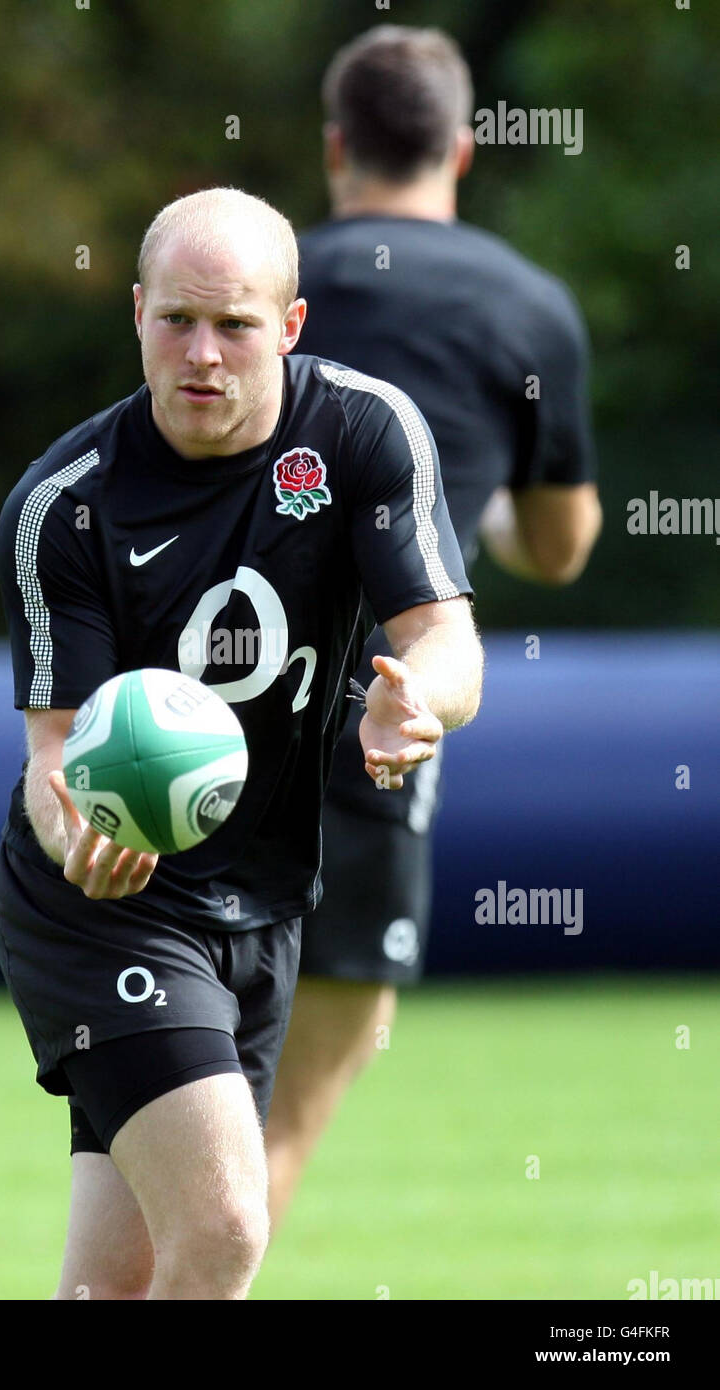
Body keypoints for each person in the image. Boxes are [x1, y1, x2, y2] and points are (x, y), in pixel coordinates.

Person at [0, 186, 483, 1300]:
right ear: (135, 315)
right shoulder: (63, 505)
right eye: (176, 320)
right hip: (101, 901)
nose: (201, 354)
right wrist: (79, 835)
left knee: (112, 1286)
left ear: (292, 325)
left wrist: (421, 703)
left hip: (263, 904)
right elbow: (54, 752)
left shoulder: (362, 432)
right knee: (222, 1228)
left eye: (235, 324)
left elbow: (442, 635)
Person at [264, 25, 602, 1226]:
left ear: (334, 145)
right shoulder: (525, 308)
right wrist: (487, 507)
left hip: (197, 703)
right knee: (276, 1124)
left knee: (178, 1093)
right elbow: (560, 549)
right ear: (461, 150)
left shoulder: (260, 289)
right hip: (375, 721)